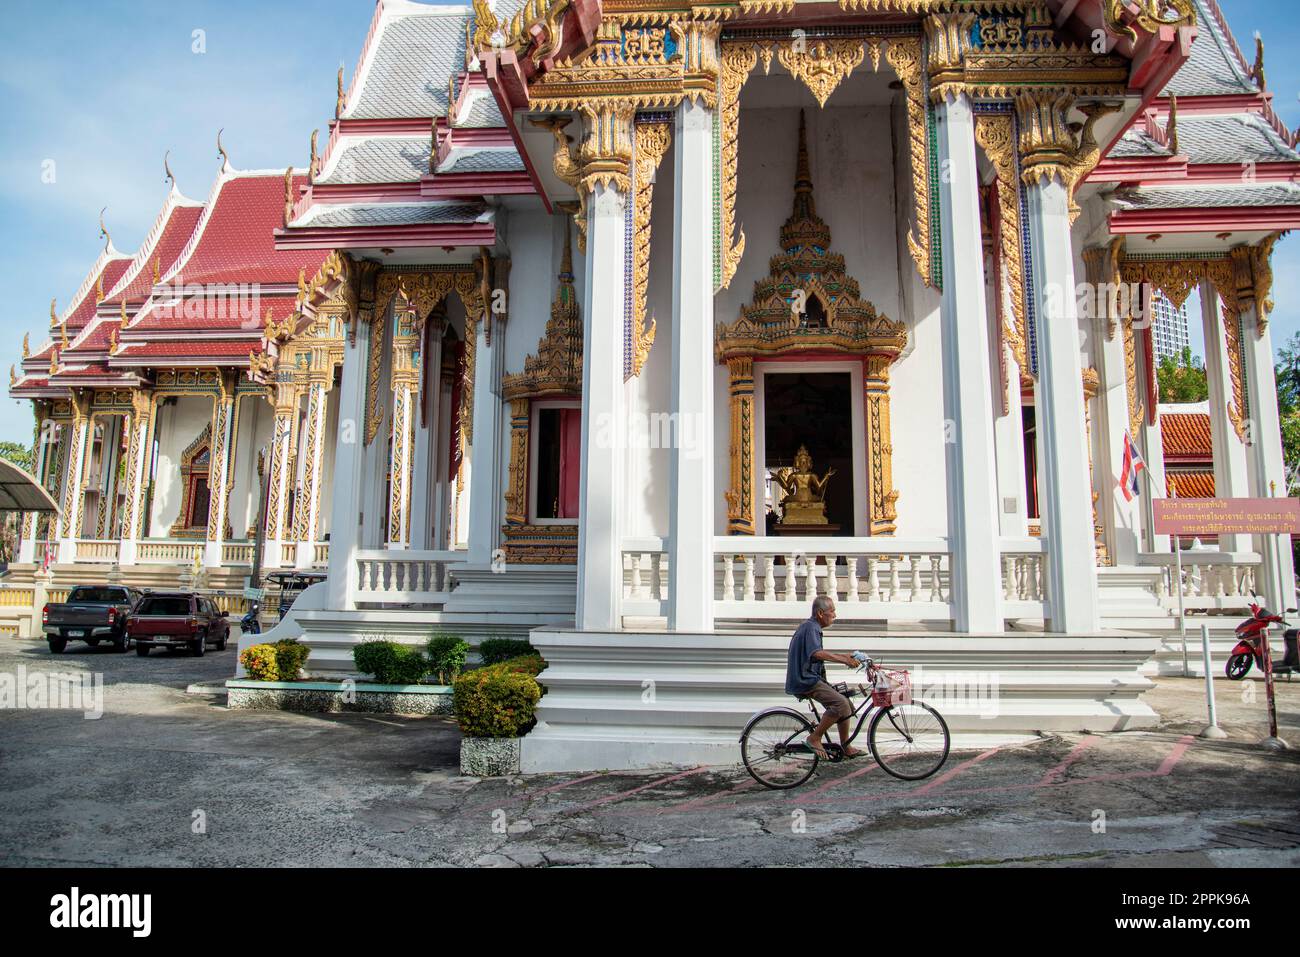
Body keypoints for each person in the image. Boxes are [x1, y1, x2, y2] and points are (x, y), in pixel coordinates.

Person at [785, 596, 863, 759]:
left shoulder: (811, 627)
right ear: (821, 613)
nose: (835, 615)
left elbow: (816, 653)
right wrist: (843, 660)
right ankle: (814, 738)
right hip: (805, 680)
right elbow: (816, 653)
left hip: (810, 677)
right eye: (832, 611)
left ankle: (845, 746)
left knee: (845, 702)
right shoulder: (811, 628)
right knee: (840, 704)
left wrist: (846, 656)